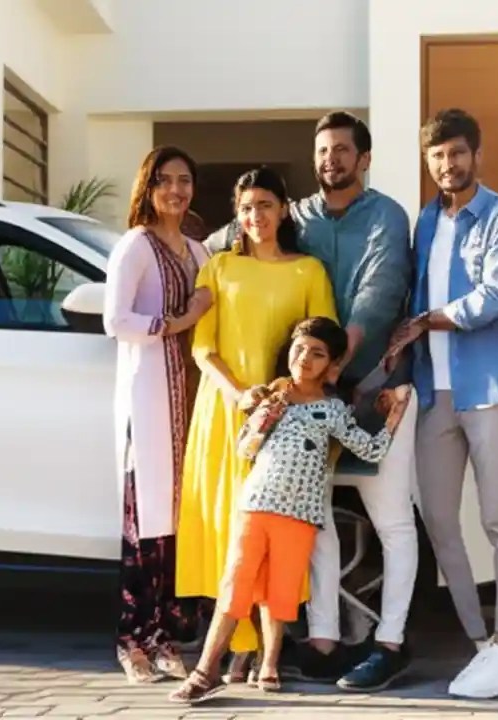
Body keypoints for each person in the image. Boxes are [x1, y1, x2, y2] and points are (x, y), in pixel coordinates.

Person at [205, 111, 419, 692]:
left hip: (374, 385)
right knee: (315, 521)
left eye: (343, 150)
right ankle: (323, 642)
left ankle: (391, 642)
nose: (331, 159)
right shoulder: (297, 212)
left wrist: (335, 361)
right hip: (312, 397)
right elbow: (234, 236)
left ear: (364, 159)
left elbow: (378, 293)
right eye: (323, 150)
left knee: (392, 521)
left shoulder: (387, 217)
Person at [168, 317, 410, 705]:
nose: (306, 358)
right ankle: (206, 671)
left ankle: (270, 663)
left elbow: (371, 450)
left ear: (332, 365)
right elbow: (245, 449)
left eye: (318, 354)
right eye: (300, 349)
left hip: (300, 515)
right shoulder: (271, 396)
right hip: (257, 505)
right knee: (235, 583)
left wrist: (392, 415)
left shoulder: (333, 410)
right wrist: (264, 416)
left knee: (280, 591)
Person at [382, 107, 498, 699]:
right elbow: (416, 291)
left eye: (456, 153)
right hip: (434, 393)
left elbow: (493, 299)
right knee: (440, 519)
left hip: (489, 386)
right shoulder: (426, 220)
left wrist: (425, 322)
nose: (447, 165)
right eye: (437, 156)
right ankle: (479, 643)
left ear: (476, 154)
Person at [174, 166, 337, 684]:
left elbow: (325, 347)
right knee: (231, 529)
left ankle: (256, 652)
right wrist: (238, 393)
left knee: (272, 532)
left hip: (283, 423)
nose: (255, 216)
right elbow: (202, 347)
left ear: (283, 209)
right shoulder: (219, 267)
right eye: (245, 208)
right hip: (224, 412)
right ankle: (232, 643)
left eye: (265, 205)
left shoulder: (308, 270)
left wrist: (284, 399)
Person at [104, 145, 212, 683]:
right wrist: (179, 319)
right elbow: (115, 319)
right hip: (148, 399)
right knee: (144, 522)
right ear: (147, 187)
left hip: (190, 401)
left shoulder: (197, 249)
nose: (176, 190)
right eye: (165, 180)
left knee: (177, 524)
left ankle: (166, 636)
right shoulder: (136, 245)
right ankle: (133, 639)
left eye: (185, 180)